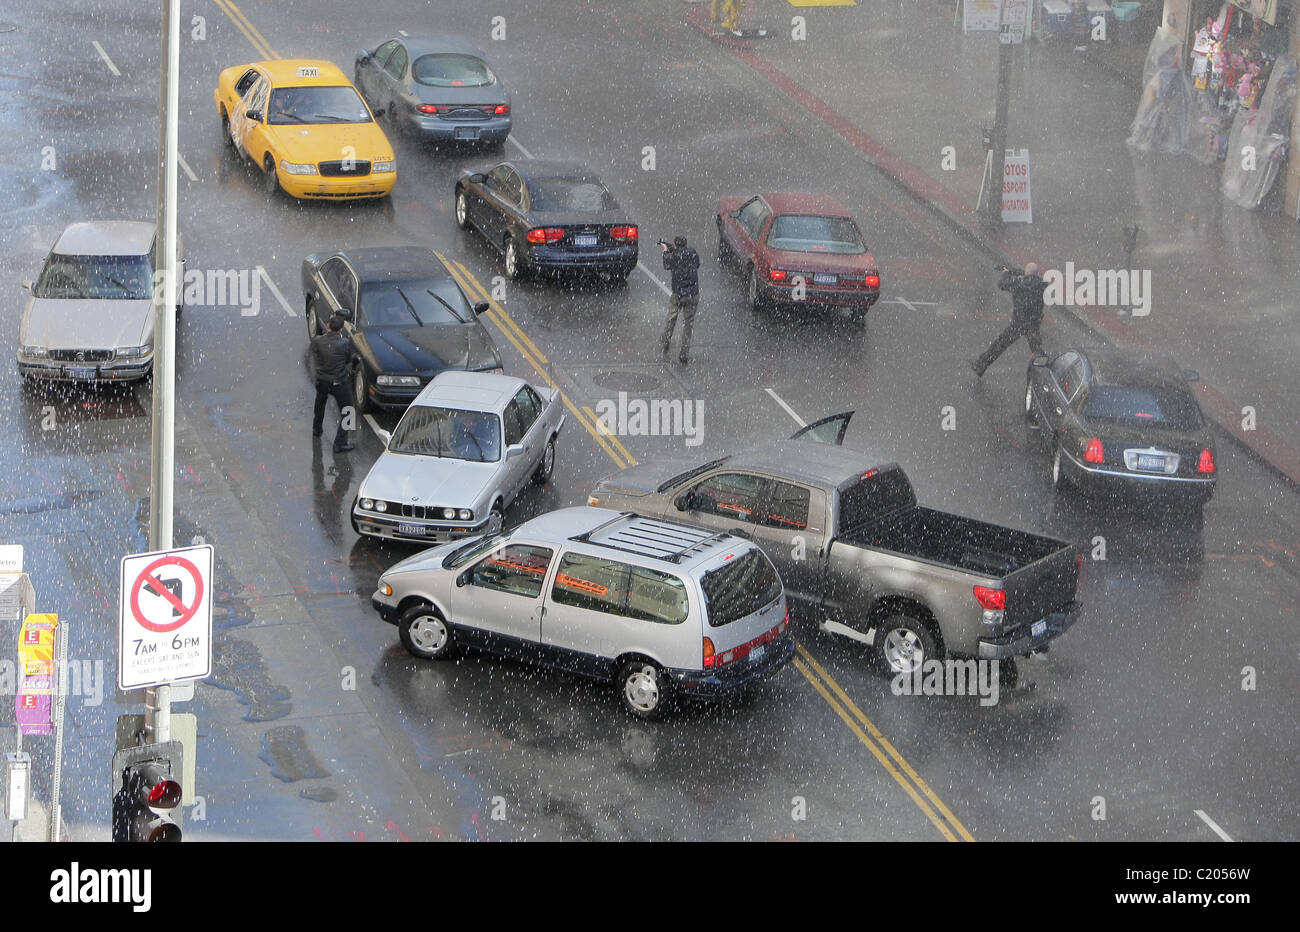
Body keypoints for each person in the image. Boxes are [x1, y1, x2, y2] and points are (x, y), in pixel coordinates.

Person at [972, 263, 1048, 377]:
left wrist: (1006, 273)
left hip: (1018, 324)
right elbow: (1031, 277)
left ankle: (980, 365)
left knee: (999, 345)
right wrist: (1015, 271)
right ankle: (1047, 371)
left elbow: (1001, 284)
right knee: (1037, 350)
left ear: (1026, 272)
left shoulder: (1018, 283)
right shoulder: (1041, 285)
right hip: (1033, 325)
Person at [310, 313, 356, 452]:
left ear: (328, 326)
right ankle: (340, 443)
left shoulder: (318, 341)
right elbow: (348, 359)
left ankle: (317, 430)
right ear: (341, 329)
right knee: (348, 411)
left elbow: (316, 355)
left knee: (320, 404)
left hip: (322, 381)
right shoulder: (345, 343)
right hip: (338, 382)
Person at [659, 236, 700, 365]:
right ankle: (684, 353)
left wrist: (665, 249)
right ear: (686, 244)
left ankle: (666, 341)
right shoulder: (693, 253)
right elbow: (696, 263)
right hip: (693, 294)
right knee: (688, 324)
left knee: (672, 317)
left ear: (675, 245)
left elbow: (666, 263)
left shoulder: (674, 255)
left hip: (678, 294)